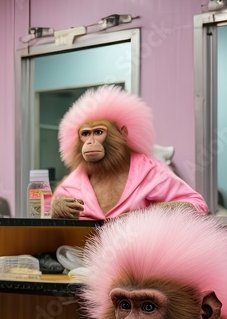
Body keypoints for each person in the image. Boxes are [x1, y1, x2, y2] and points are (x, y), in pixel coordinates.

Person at [51, 86, 207, 220]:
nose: (90, 142)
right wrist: (57, 209)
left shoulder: (149, 171)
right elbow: (50, 215)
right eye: (85, 134)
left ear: (123, 134)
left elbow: (197, 206)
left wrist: (143, 216)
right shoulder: (76, 180)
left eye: (98, 132)